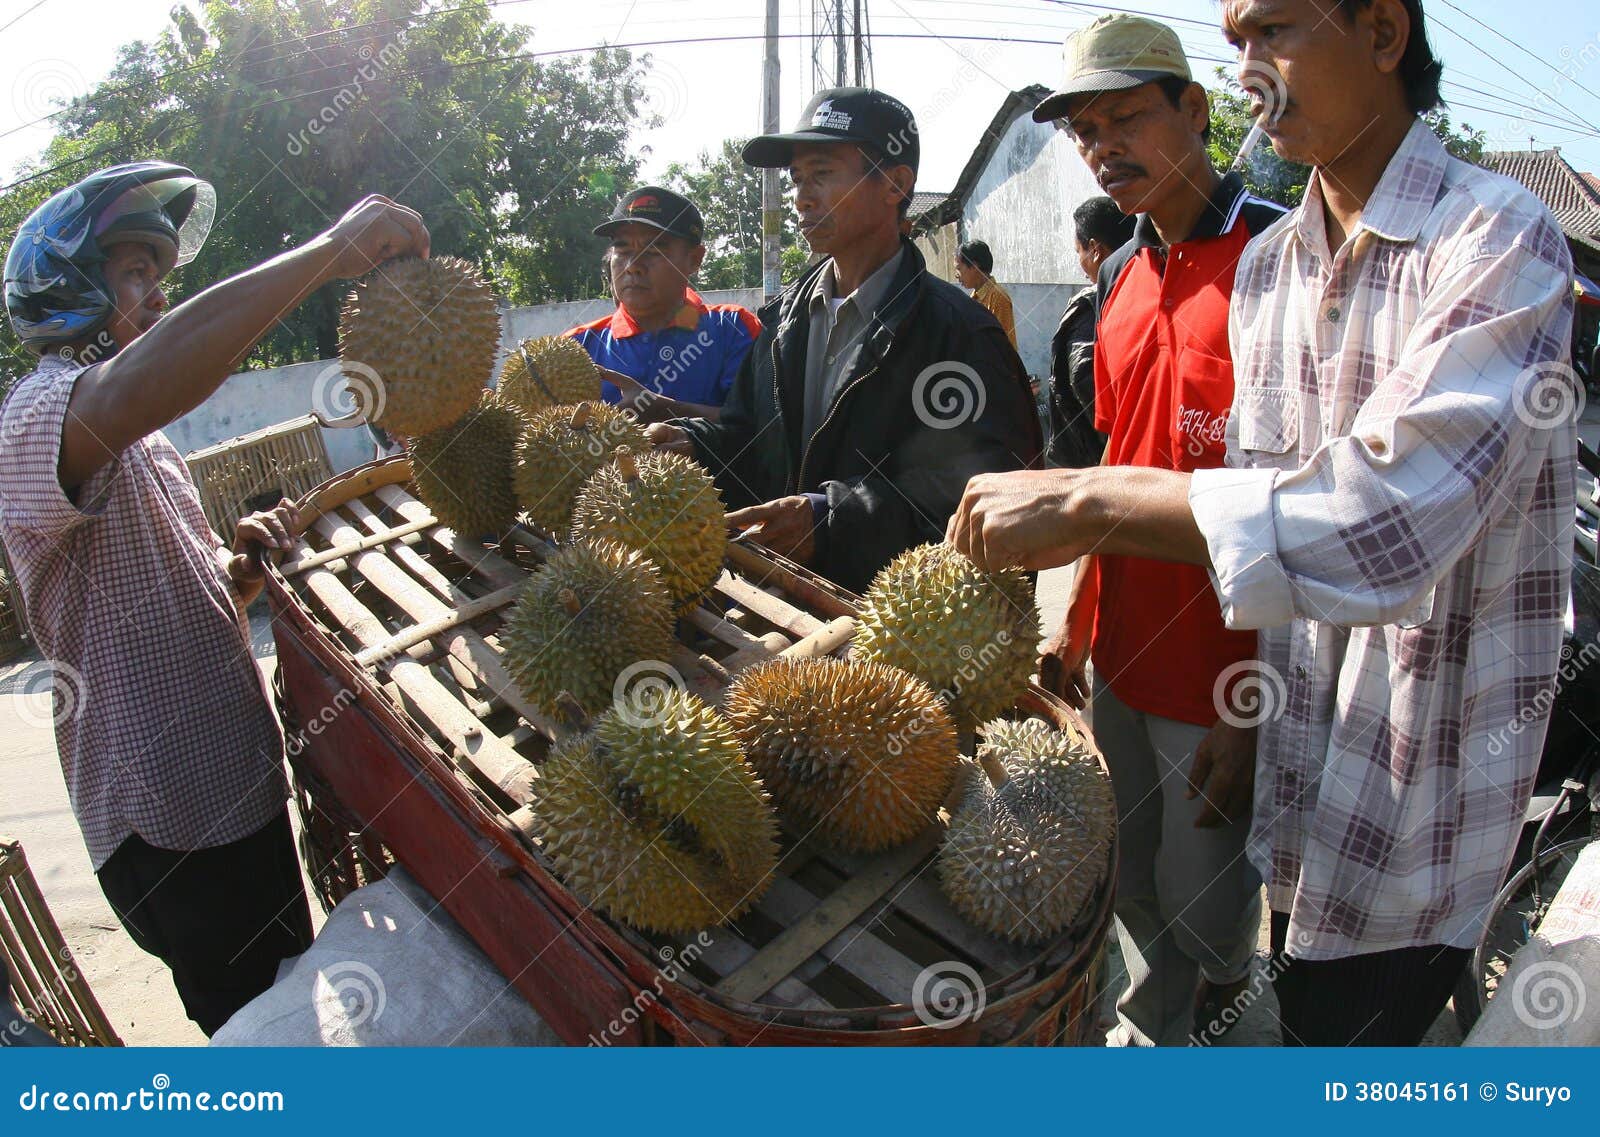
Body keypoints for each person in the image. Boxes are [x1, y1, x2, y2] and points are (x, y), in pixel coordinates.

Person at [949, 0, 1578, 1047]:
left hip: (1408, 800)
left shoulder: (1497, 239)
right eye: (1236, 39)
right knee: (1201, 946)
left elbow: (1382, 524)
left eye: (1274, 30)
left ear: (1381, 34)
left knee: (1340, 1031)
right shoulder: (1276, 269)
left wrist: (1091, 502)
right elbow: (1254, 489)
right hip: (1293, 755)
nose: (1250, 67)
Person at [0, 161, 429, 1035]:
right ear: (67, 291)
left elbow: (172, 603)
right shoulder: (34, 412)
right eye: (131, 273)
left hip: (233, 788)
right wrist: (325, 254)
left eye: (160, 275)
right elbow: (132, 385)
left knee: (293, 1013)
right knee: (260, 1040)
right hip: (170, 821)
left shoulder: (144, 442)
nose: (154, 294)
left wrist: (236, 570)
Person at [1029, 14, 1287, 1047]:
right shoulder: (1121, 281)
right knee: (1130, 886)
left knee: (1212, 908)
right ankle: (1154, 1046)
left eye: (1127, 117)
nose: (1104, 148)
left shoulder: (1285, 256)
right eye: (1086, 133)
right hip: (1123, 661)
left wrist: (1257, 694)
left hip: (1221, 675)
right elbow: (1119, 463)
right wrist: (1078, 619)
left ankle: (1236, 1043)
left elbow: (1312, 497)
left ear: (1197, 110)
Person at [647, 87, 1040, 592]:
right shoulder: (783, 320)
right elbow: (751, 442)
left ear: (895, 184)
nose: (802, 197)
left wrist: (830, 521)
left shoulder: (959, 335)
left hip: (890, 647)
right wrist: (693, 445)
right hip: (780, 621)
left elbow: (997, 512)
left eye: (824, 174)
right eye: (797, 179)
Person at [567, 186, 760, 424]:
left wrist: (667, 410)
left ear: (695, 259)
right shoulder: (576, 347)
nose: (633, 265)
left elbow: (763, 429)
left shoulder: (734, 329)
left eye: (654, 250)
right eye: (623, 249)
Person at [1046, 195, 1135, 468]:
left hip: (1105, 464)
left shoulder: (1094, 306)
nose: (1080, 262)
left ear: (1095, 249)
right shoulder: (1155, 288)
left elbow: (1084, 380)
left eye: (1078, 251)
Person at [954, 239, 1017, 349]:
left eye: (959, 268)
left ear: (974, 266)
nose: (957, 275)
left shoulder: (998, 297)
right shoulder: (973, 298)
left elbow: (1005, 347)